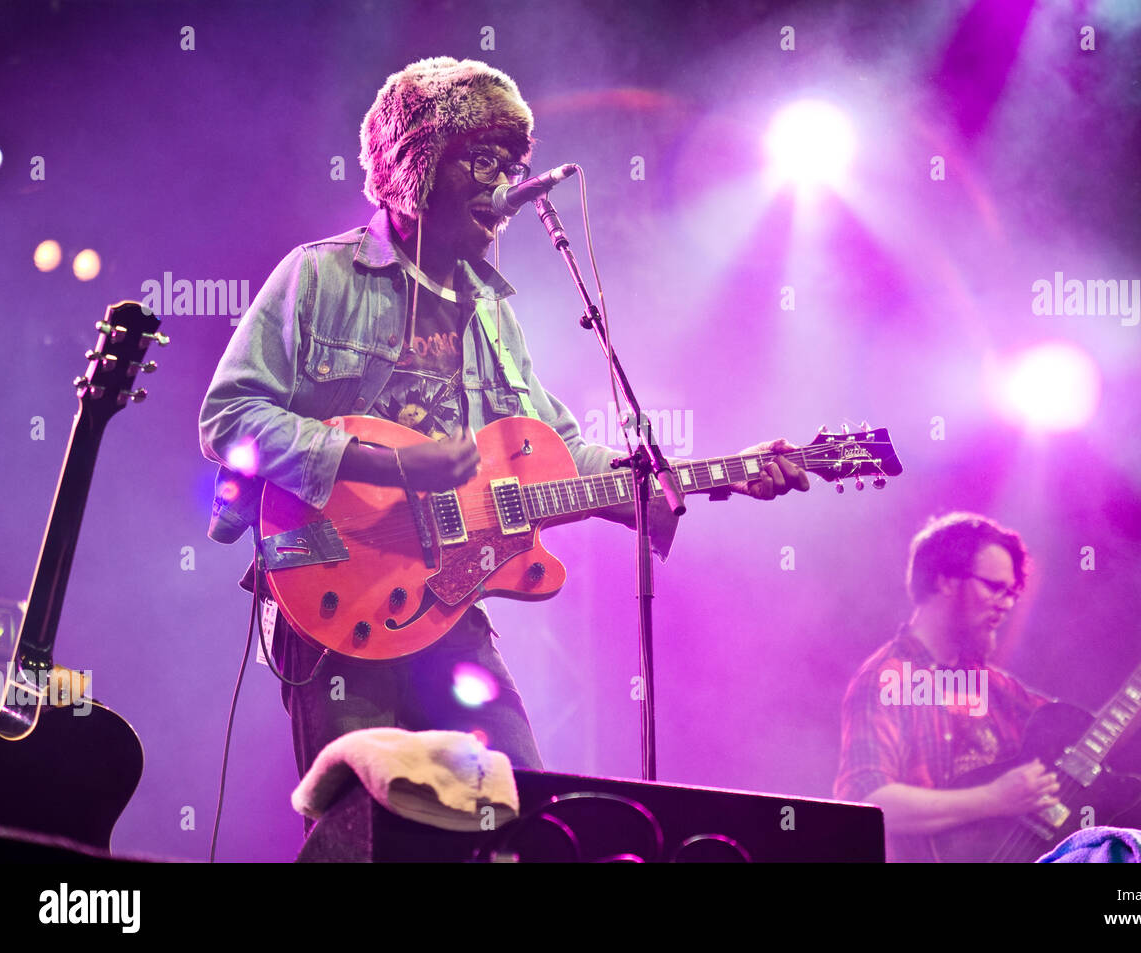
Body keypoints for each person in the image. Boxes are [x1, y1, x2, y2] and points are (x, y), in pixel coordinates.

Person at [199, 57, 809, 803]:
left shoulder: (493, 313)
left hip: (450, 603)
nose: (505, 188)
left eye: (513, 165)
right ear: (416, 163)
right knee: (361, 831)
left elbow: (558, 452)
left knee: (526, 811)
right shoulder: (320, 278)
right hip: (332, 590)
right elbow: (230, 418)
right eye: (483, 161)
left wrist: (717, 474)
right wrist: (391, 467)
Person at [833, 512, 1141, 861]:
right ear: (945, 581)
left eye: (1012, 593)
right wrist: (994, 799)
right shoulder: (886, 677)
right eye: (994, 587)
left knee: (1129, 852)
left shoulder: (993, 687)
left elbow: (1095, 740)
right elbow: (867, 803)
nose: (1006, 604)